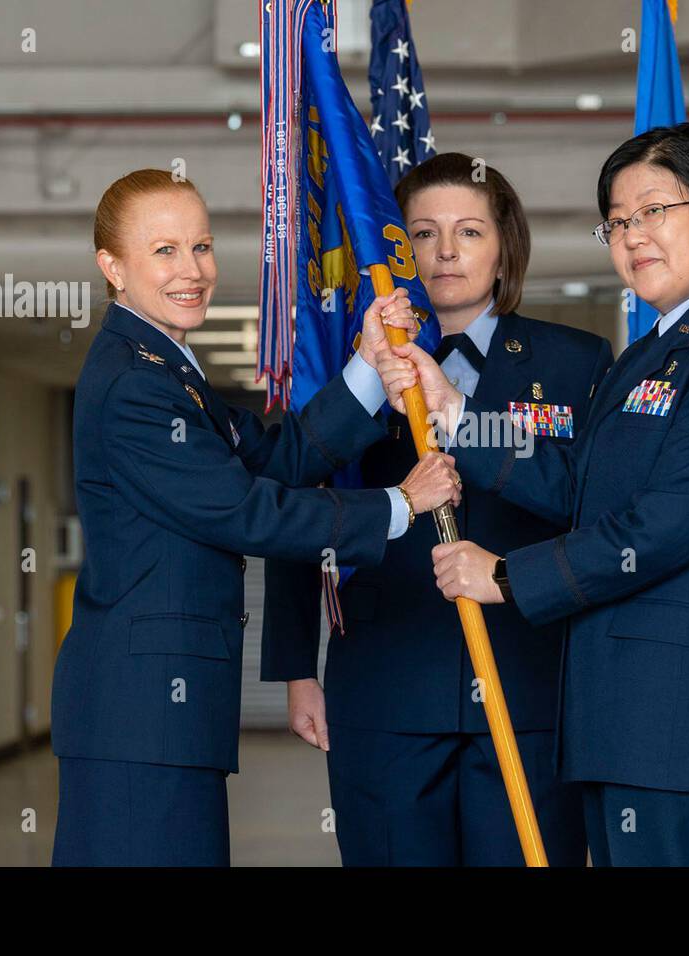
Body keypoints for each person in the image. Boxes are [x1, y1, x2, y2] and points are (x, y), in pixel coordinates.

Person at [376, 124, 689, 866]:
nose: (633, 236)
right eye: (617, 220)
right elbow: (581, 483)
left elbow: (666, 524)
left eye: (654, 211)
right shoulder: (657, 350)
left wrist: (507, 576)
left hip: (682, 726)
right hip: (623, 722)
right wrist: (454, 414)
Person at [50, 168, 460, 866]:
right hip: (139, 717)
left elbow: (276, 458)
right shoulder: (134, 385)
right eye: (165, 251)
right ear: (112, 267)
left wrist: (365, 364)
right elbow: (243, 510)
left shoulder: (166, 369)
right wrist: (400, 504)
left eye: (202, 247)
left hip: (157, 716)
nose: (193, 270)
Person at [262, 153, 613, 866]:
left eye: (470, 232)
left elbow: (586, 501)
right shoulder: (353, 364)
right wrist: (298, 666)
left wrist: (461, 417)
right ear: (396, 248)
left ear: (505, 246)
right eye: (422, 233)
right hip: (386, 684)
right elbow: (298, 503)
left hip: (527, 687)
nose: (445, 252)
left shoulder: (577, 362)